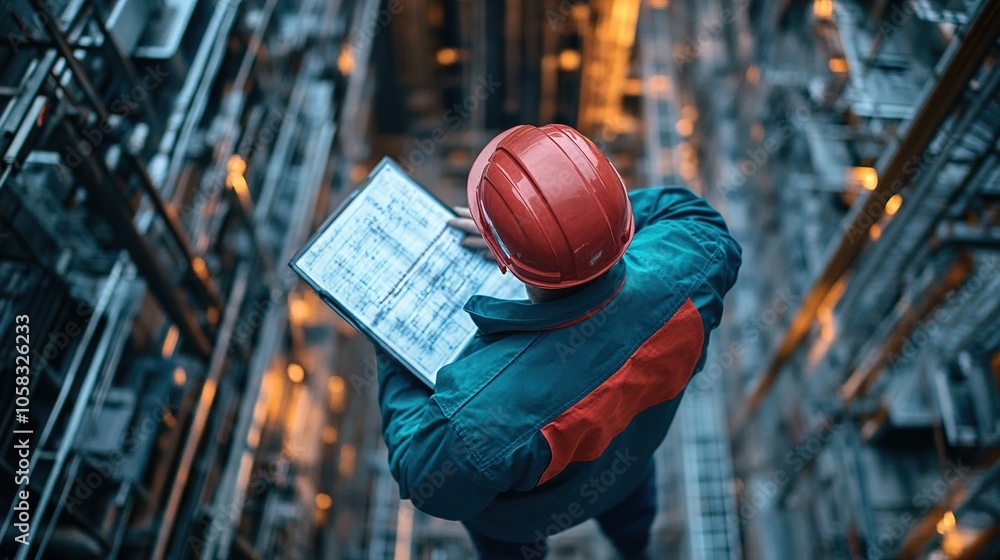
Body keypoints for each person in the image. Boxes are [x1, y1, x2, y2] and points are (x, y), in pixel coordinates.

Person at [375, 124, 741, 559]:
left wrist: (390, 342)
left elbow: (425, 483)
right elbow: (688, 213)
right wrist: (574, 236)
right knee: (631, 521)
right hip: (626, 463)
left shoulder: (477, 422)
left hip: (520, 522)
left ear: (505, 257)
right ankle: (635, 550)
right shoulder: (697, 259)